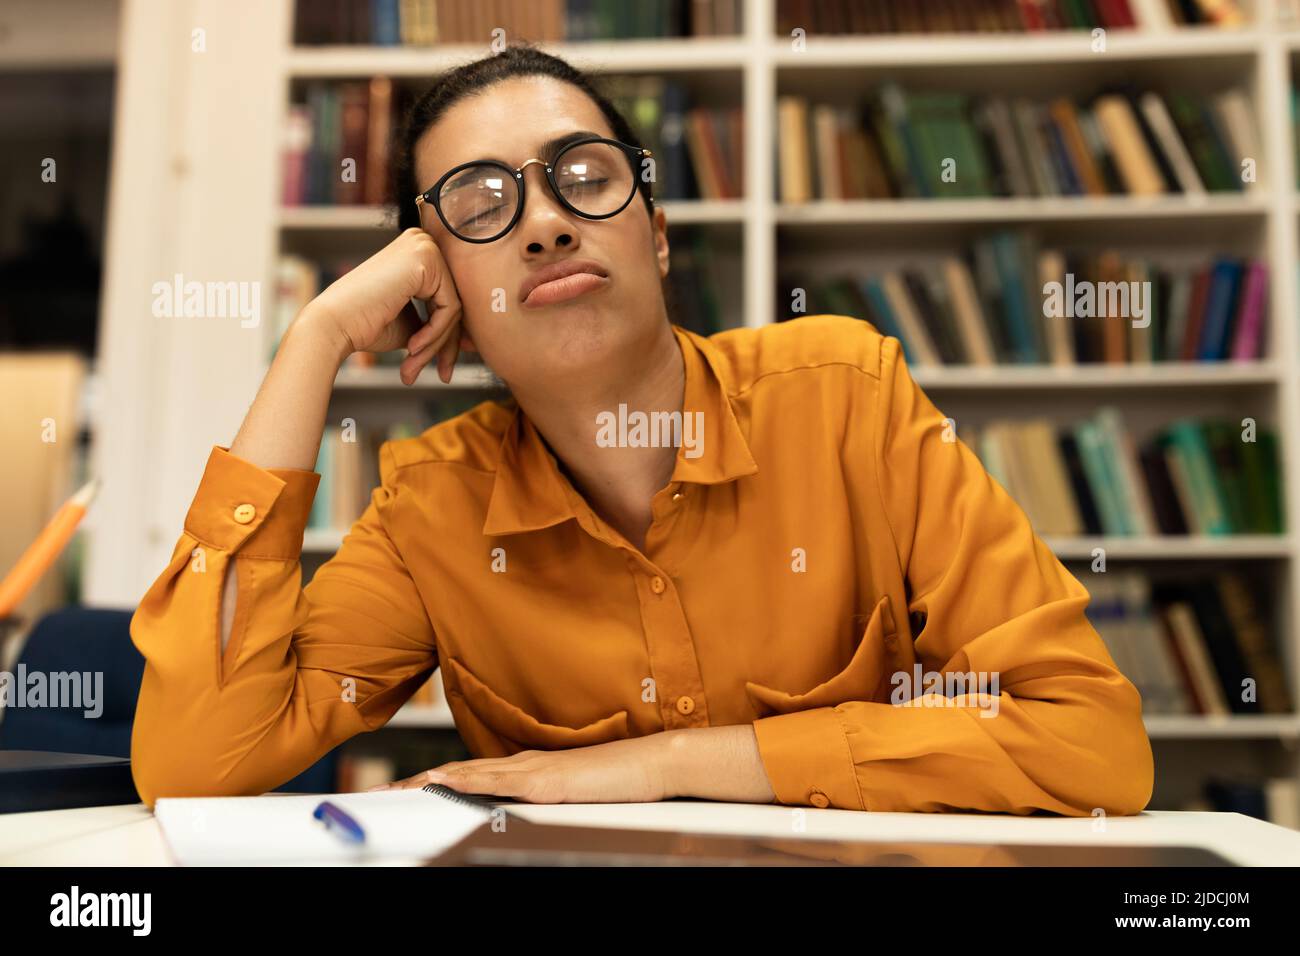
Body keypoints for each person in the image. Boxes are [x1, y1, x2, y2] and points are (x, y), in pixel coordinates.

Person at [129, 45, 1153, 815]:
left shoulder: (847, 397)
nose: (542, 222)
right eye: (479, 203)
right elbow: (199, 763)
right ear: (437, 286)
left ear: (656, 237)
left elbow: (1089, 742)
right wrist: (311, 338)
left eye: (582, 174)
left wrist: (658, 766)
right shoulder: (428, 507)